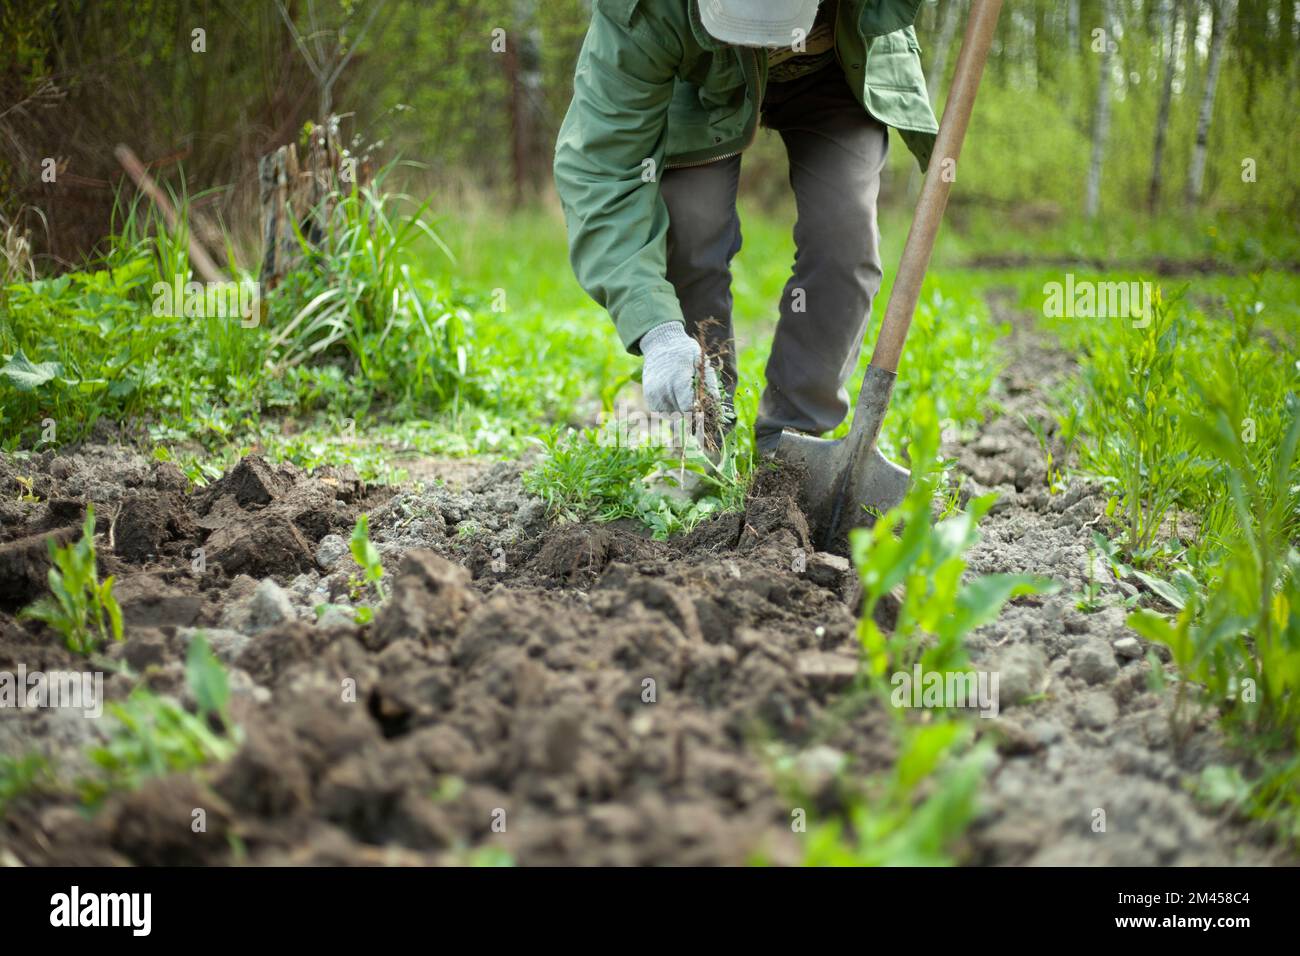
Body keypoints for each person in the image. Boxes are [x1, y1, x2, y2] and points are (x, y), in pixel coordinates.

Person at [554, 0, 938, 452]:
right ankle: (706, 436)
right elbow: (602, 168)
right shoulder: (650, 11)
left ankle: (793, 445)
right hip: (701, 75)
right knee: (690, 230)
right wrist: (656, 331)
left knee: (844, 238)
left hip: (838, 62)